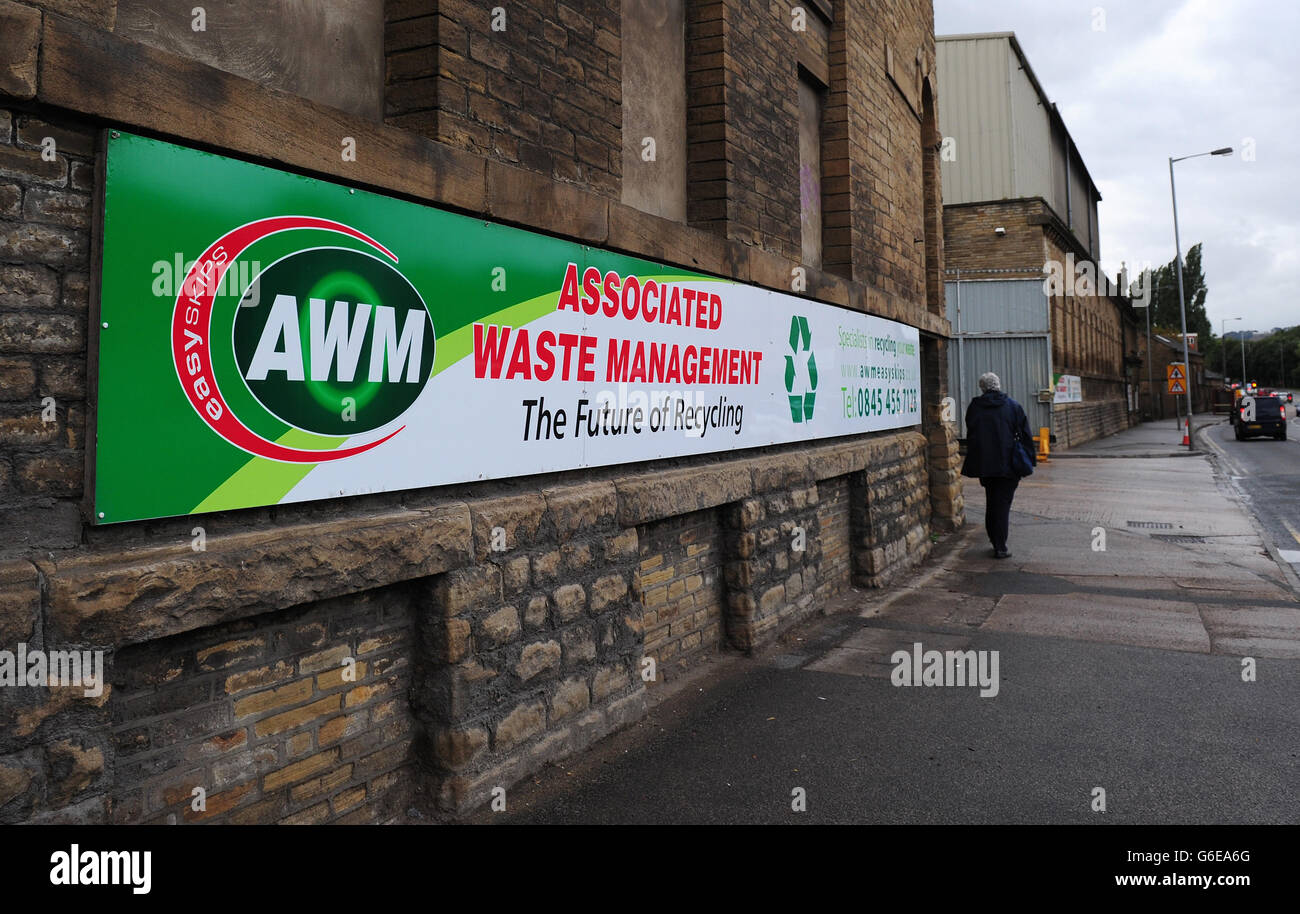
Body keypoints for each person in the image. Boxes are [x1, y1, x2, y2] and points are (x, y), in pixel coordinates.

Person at [961, 372, 1036, 558]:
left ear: (982, 388)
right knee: (1002, 505)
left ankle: (995, 539)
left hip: (985, 465)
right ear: (998, 385)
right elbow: (1025, 435)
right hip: (1008, 464)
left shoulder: (975, 407)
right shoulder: (1013, 406)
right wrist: (1029, 459)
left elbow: (972, 432)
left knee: (992, 501)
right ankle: (1000, 546)